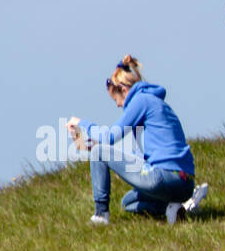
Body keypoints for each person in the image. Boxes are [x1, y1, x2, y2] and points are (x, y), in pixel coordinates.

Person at [68, 56, 208, 225]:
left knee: (99, 152)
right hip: (184, 184)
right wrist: (86, 145)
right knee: (129, 202)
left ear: (124, 90)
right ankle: (177, 207)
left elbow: (109, 138)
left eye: (116, 100)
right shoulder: (156, 103)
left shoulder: (141, 100)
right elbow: (136, 156)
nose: (118, 106)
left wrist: (81, 123)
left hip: (163, 176)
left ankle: (100, 215)